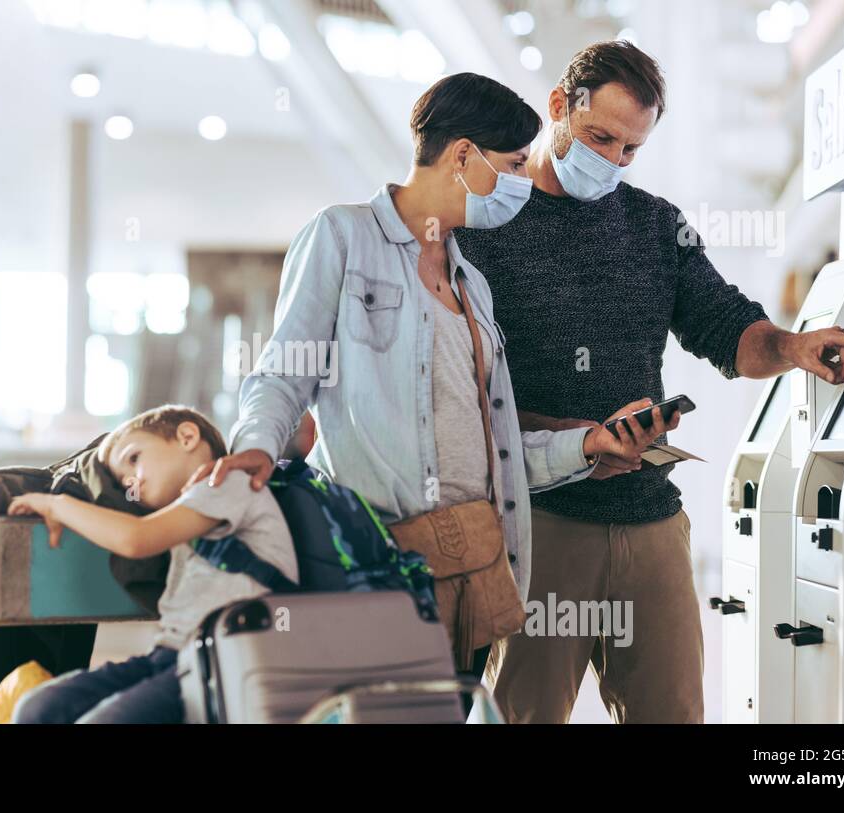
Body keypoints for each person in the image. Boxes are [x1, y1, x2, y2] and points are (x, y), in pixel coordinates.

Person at [192, 72, 675, 677]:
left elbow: (489, 448)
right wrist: (254, 448)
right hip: (373, 560)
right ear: (465, 156)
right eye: (516, 164)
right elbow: (285, 373)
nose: (526, 182)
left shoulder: (473, 283)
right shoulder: (342, 237)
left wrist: (588, 446)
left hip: (467, 570)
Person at [454, 40, 844, 723]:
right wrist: (583, 439)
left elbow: (726, 328)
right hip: (540, 530)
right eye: (601, 138)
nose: (615, 160)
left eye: (631, 149)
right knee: (520, 717)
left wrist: (794, 346)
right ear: (560, 106)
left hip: (650, 524)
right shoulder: (483, 230)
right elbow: (467, 402)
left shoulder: (654, 225)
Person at [6, 404, 297, 724]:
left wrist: (58, 505)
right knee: (38, 709)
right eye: (122, 480)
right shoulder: (185, 512)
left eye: (134, 459)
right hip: (171, 655)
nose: (131, 482)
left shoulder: (228, 483)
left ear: (187, 436)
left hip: (225, 659)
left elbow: (136, 539)